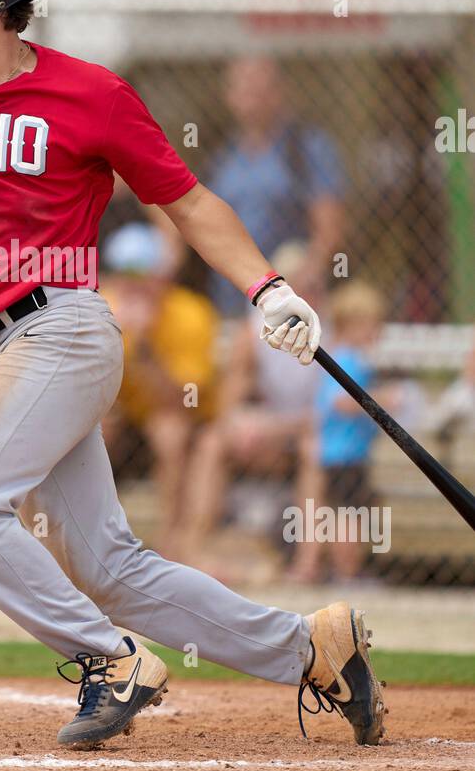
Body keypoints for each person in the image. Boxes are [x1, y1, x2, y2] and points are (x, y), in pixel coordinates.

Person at [0, 0, 386, 750]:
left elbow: (188, 202)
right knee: (110, 569)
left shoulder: (87, 93)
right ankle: (316, 648)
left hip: (61, 328)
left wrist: (267, 288)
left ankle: (111, 661)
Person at [178, 241, 324, 576]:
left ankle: (306, 567)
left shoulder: (326, 331)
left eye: (313, 286)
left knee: (313, 447)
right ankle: (192, 552)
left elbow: (323, 416)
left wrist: (273, 429)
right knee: (212, 442)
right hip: (268, 436)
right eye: (298, 285)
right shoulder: (253, 334)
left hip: (302, 435)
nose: (308, 293)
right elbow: (227, 406)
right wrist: (242, 426)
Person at [100, 222, 218, 548]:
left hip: (179, 416)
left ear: (162, 277)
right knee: (89, 427)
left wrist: (145, 349)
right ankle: (89, 537)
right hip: (121, 416)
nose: (132, 287)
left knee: (169, 431)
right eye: (125, 276)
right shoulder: (102, 306)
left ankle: (172, 541)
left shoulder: (190, 313)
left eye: (142, 278)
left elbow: (184, 401)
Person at [206, 57, 345, 317]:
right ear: (229, 96)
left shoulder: (306, 148)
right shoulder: (223, 157)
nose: (253, 96)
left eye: (261, 87)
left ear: (279, 92)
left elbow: (329, 225)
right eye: (244, 88)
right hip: (231, 299)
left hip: (285, 297)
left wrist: (308, 274)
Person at [294, 281, 390, 585]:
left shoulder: (343, 357)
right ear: (354, 324)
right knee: (349, 516)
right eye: (374, 325)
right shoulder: (350, 360)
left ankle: (342, 570)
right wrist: (382, 401)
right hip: (344, 454)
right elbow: (338, 401)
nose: (379, 333)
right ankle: (346, 572)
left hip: (340, 453)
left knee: (344, 513)